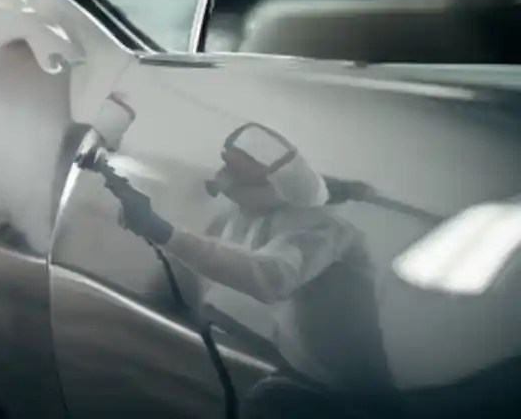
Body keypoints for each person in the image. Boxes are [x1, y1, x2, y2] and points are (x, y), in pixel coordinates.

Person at [107, 122, 395, 415]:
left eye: (239, 181)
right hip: (299, 376)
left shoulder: (326, 231)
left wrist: (161, 230)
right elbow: (210, 260)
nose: (225, 186)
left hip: (352, 400)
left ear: (274, 185)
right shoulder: (244, 218)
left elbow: (270, 277)